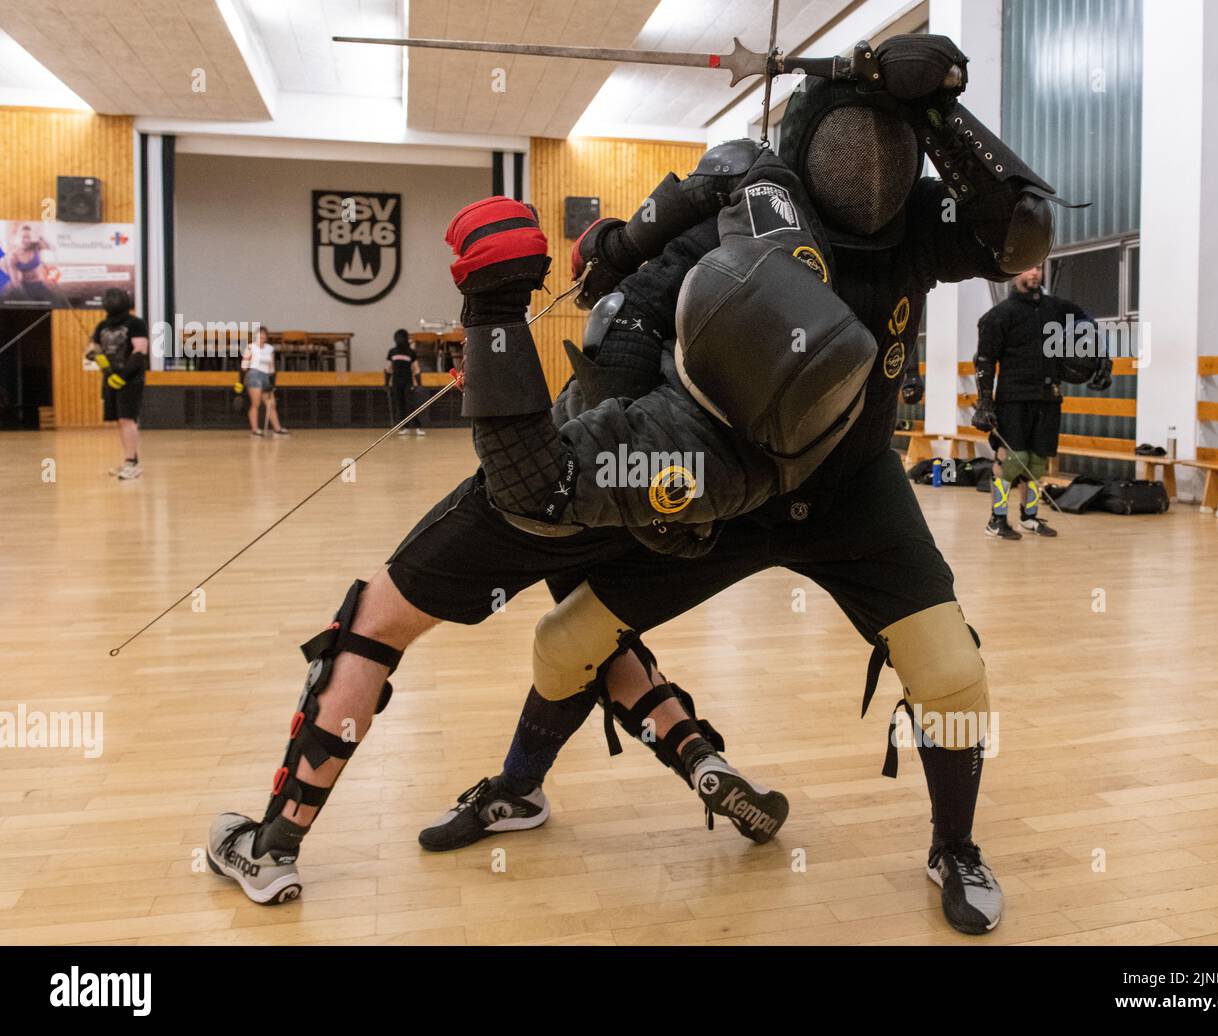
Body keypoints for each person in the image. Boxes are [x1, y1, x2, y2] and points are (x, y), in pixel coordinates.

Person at [209, 34, 1058, 936]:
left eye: (896, 144)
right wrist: (618, 432)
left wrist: (938, 101)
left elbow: (1023, 227)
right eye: (856, 143)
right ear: (811, 146)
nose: (874, 172)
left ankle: (954, 846)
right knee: (567, 642)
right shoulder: (735, 210)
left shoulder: (915, 226)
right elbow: (625, 331)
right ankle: (518, 789)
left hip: (852, 490)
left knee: (951, 672)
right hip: (725, 493)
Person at [972, 265, 1111, 539]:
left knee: (1036, 463)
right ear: (1014, 274)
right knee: (1013, 461)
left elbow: (1089, 324)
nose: (1033, 273)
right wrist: (985, 402)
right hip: (1013, 399)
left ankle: (1029, 516)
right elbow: (984, 361)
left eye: (1037, 268)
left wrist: (1103, 360)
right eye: (1026, 269)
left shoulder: (1056, 309)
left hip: (1048, 397)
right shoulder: (999, 316)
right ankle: (996, 519)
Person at [86, 287, 149, 479]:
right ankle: (130, 460)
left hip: (130, 379)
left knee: (127, 419)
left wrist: (123, 376)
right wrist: (97, 358)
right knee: (119, 420)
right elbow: (93, 348)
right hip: (110, 379)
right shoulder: (102, 325)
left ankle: (132, 463)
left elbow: (140, 351)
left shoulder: (135, 323)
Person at [236, 325, 288, 437]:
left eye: (264, 334)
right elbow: (244, 366)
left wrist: (272, 382)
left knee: (271, 404)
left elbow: (272, 366)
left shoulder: (270, 349)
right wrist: (240, 382)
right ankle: (255, 430)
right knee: (256, 403)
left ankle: (277, 429)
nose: (262, 336)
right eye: (260, 334)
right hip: (254, 375)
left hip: (266, 377)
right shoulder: (250, 347)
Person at [386, 329, 425, 436]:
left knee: (410, 404)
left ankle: (418, 426)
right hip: (396, 382)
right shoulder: (392, 352)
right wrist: (386, 383)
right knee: (400, 405)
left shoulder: (411, 352)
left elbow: (416, 369)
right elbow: (389, 369)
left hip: (408, 382)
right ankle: (404, 427)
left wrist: (419, 384)